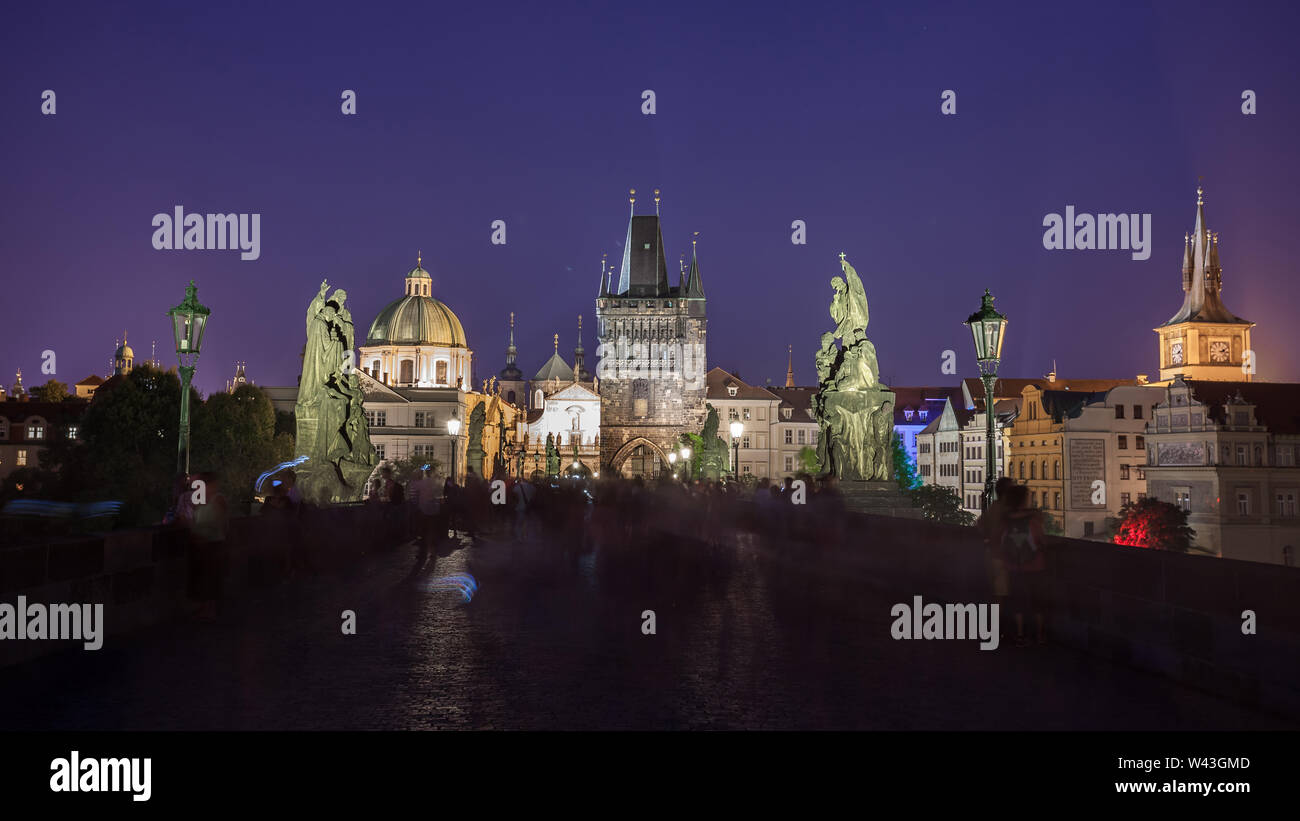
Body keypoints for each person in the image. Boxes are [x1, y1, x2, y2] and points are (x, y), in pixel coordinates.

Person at [995, 484, 1048, 646]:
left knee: (1018, 601)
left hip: (1014, 566)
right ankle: (1039, 635)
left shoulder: (1006, 519)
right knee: (1037, 601)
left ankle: (1019, 635)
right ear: (1024, 500)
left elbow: (1000, 540)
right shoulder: (1032, 519)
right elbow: (1041, 540)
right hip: (1035, 565)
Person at [976, 477, 1016, 614]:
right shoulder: (1007, 510)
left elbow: (980, 525)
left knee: (995, 594)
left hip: (991, 555)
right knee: (1001, 596)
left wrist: (988, 539)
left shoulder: (993, 507)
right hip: (1002, 558)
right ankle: (998, 628)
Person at [410, 466, 441, 572]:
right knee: (432, 531)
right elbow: (438, 495)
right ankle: (432, 552)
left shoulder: (420, 483)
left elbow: (413, 497)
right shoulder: (435, 482)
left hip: (423, 510)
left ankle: (422, 553)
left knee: (423, 532)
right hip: (434, 510)